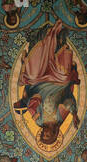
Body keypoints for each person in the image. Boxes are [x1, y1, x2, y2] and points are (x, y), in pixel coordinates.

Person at [13, 18, 80, 148]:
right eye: (47, 135)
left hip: (38, 85)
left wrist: (28, 104)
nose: (44, 133)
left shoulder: (38, 120)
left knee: (32, 74)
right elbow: (68, 101)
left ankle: (39, 41)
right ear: (55, 134)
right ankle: (57, 41)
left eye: (42, 135)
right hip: (58, 85)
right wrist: (74, 113)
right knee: (64, 75)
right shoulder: (60, 118)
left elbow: (30, 104)